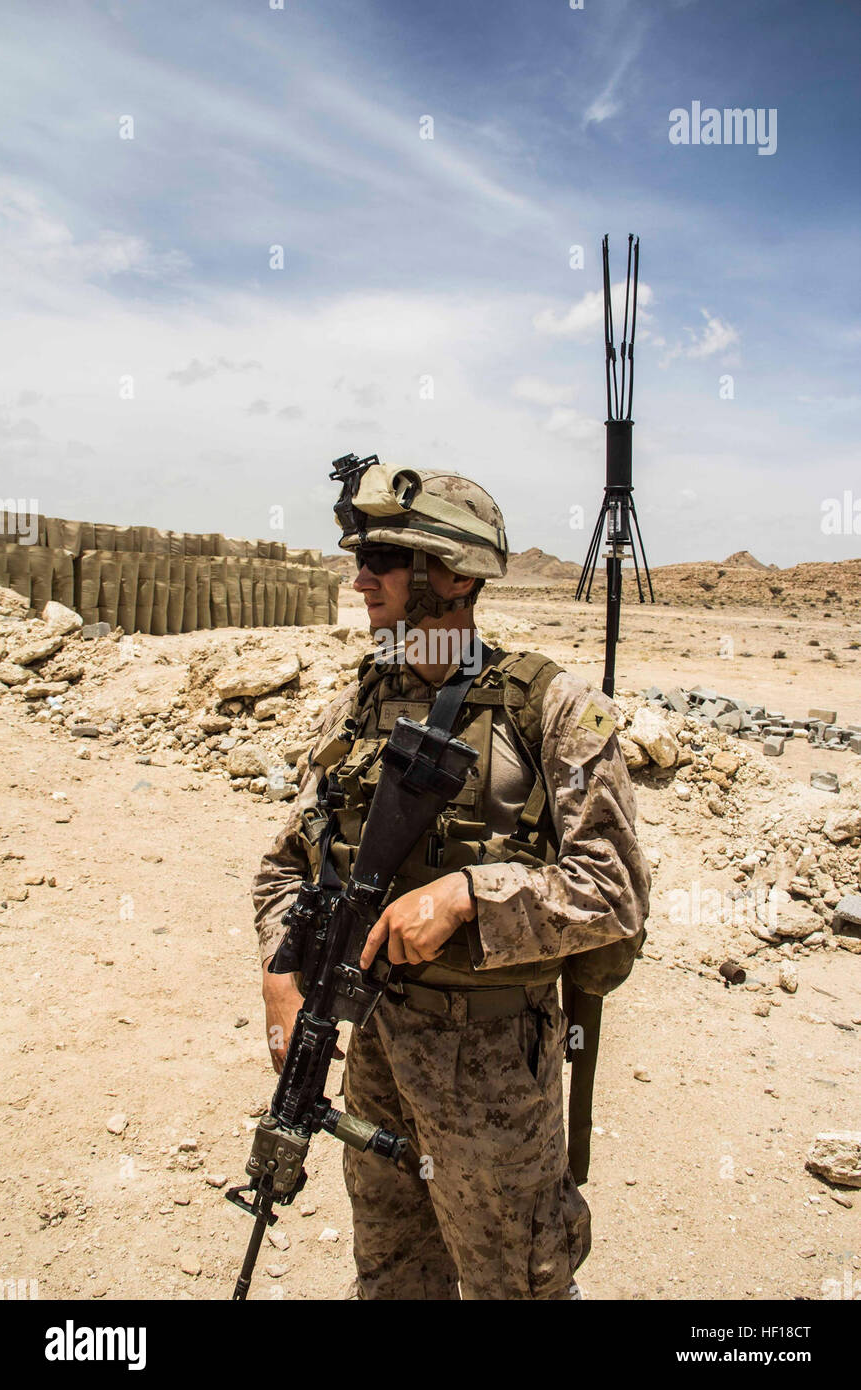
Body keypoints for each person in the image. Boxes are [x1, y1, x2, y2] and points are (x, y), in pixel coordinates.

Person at [253, 460, 650, 1300]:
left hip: (495, 1063)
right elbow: (287, 865)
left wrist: (472, 894)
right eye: (361, 558)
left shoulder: (553, 710)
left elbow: (615, 890)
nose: (358, 579)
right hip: (375, 1049)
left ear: (455, 576)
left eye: (383, 560)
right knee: (392, 1273)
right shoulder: (358, 704)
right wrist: (280, 979)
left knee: (519, 1282)